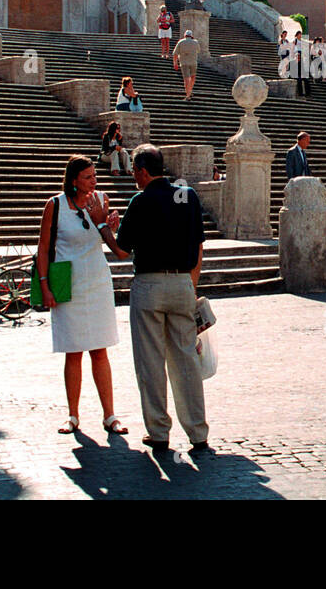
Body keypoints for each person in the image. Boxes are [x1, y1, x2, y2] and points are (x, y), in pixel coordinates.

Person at [112, 145, 209, 453]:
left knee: (151, 362)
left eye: (134, 173)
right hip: (181, 281)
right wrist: (190, 286)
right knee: (186, 362)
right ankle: (197, 431)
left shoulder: (139, 201)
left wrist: (104, 226)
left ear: (142, 171)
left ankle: (158, 431)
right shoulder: (187, 195)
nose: (134, 178)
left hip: (149, 285)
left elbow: (122, 251)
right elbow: (198, 248)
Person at [36, 155, 129, 436]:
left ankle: (110, 415)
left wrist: (109, 225)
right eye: (88, 176)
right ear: (74, 179)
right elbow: (43, 248)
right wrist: (44, 286)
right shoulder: (55, 205)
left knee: (100, 350)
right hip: (68, 282)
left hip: (96, 281)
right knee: (73, 351)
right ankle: (73, 415)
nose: (93, 180)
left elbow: (109, 238)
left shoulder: (101, 199)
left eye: (94, 176)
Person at [172, 28, 201, 100]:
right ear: (191, 36)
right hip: (193, 62)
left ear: (185, 35)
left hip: (184, 62)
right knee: (193, 77)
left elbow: (175, 54)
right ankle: (190, 91)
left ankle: (188, 94)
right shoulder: (195, 42)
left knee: (186, 79)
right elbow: (198, 51)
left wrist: (175, 63)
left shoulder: (180, 42)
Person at [292, 31, 310, 97]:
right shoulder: (295, 41)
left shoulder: (302, 42)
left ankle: (308, 93)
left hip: (301, 54)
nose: (300, 36)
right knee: (299, 80)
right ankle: (301, 93)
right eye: (299, 34)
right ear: (296, 35)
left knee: (306, 79)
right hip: (297, 54)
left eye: (301, 34)